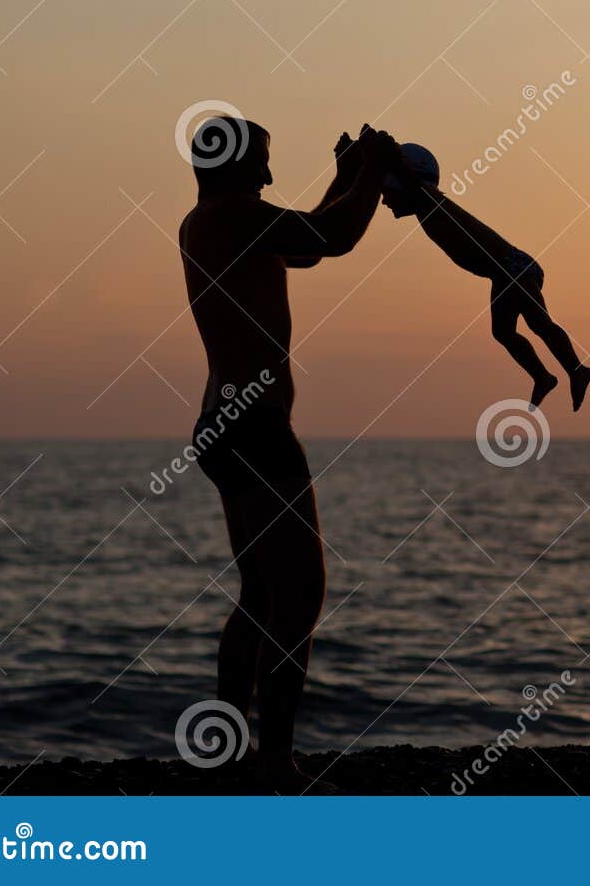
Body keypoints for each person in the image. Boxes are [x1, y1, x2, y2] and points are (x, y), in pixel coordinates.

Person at [178, 117, 396, 790]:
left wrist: (346, 176)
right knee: (299, 595)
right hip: (257, 430)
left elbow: (302, 243)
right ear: (237, 166)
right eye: (264, 163)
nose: (271, 176)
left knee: (259, 592)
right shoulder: (234, 215)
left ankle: (226, 753)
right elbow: (330, 238)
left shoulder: (215, 220)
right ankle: (274, 761)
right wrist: (374, 171)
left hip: (224, 425)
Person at [384, 136, 590, 410]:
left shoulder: (428, 200)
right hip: (503, 274)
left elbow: (411, 180)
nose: (385, 200)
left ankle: (577, 370)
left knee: (538, 323)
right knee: (503, 332)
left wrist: (387, 154)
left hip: (514, 267)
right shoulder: (425, 205)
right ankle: (543, 376)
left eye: (387, 191)